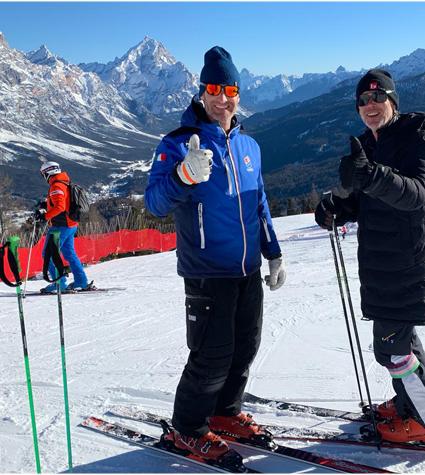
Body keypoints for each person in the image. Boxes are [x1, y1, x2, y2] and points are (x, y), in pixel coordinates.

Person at [144, 46, 285, 464]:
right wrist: (183, 175)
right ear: (202, 91)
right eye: (215, 88)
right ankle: (187, 429)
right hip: (207, 271)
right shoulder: (176, 143)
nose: (223, 98)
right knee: (211, 355)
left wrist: (273, 253)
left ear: (239, 93)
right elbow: (154, 203)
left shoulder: (250, 146)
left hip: (247, 269)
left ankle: (223, 413)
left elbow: (258, 204)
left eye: (231, 89)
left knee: (245, 348)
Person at [314, 69, 425, 446]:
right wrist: (338, 209)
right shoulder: (369, 143)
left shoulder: (418, 136)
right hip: (379, 263)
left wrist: (371, 175)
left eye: (378, 98)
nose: (370, 106)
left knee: (392, 347)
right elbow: (367, 200)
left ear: (393, 101)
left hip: (407, 261)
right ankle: (411, 404)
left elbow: (419, 193)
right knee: (400, 344)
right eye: (363, 100)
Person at [35, 161, 90, 292]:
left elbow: (60, 207)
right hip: (70, 224)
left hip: (60, 226)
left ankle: (59, 283)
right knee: (69, 253)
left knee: (48, 254)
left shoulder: (56, 186)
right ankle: (81, 281)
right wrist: (46, 205)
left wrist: (45, 216)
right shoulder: (65, 182)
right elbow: (63, 202)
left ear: (48, 173)